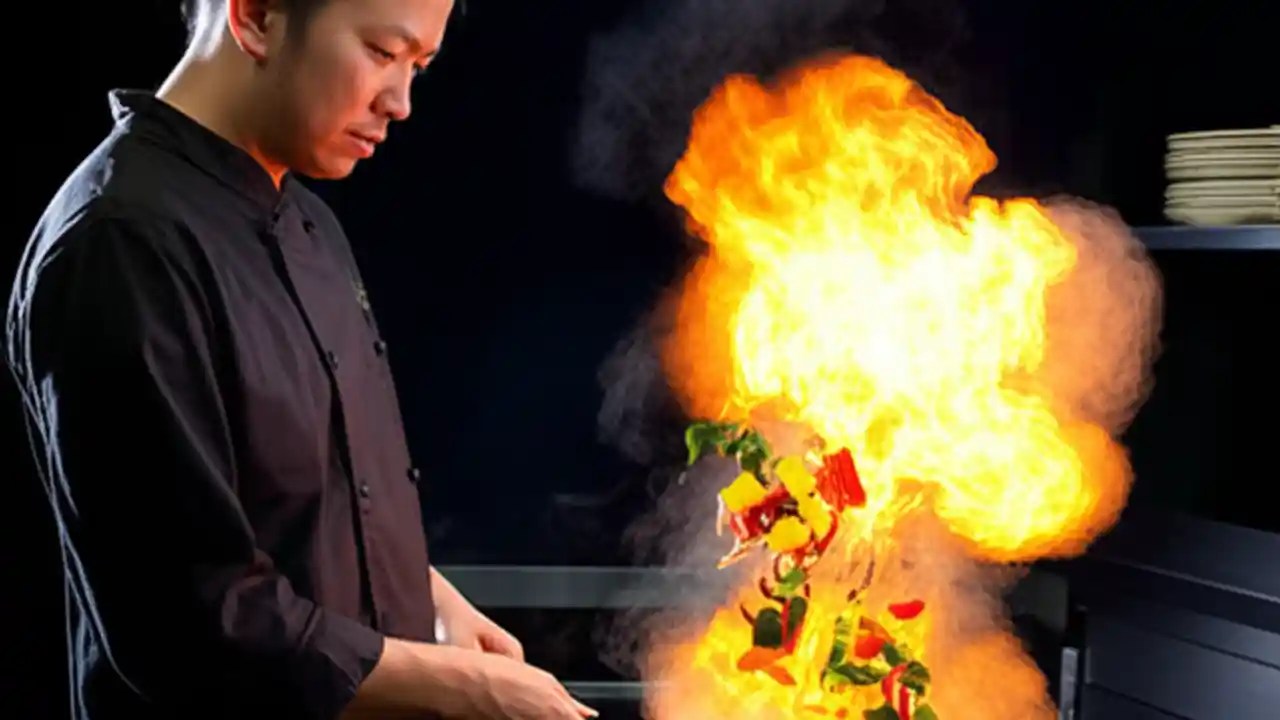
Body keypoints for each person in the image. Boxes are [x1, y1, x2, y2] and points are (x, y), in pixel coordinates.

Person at [4, 1, 598, 718]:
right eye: (383, 53)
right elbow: (195, 624)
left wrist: (434, 603)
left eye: (420, 67)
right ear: (255, 17)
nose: (402, 102)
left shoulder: (312, 223)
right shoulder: (124, 244)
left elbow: (314, 505)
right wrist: (463, 689)